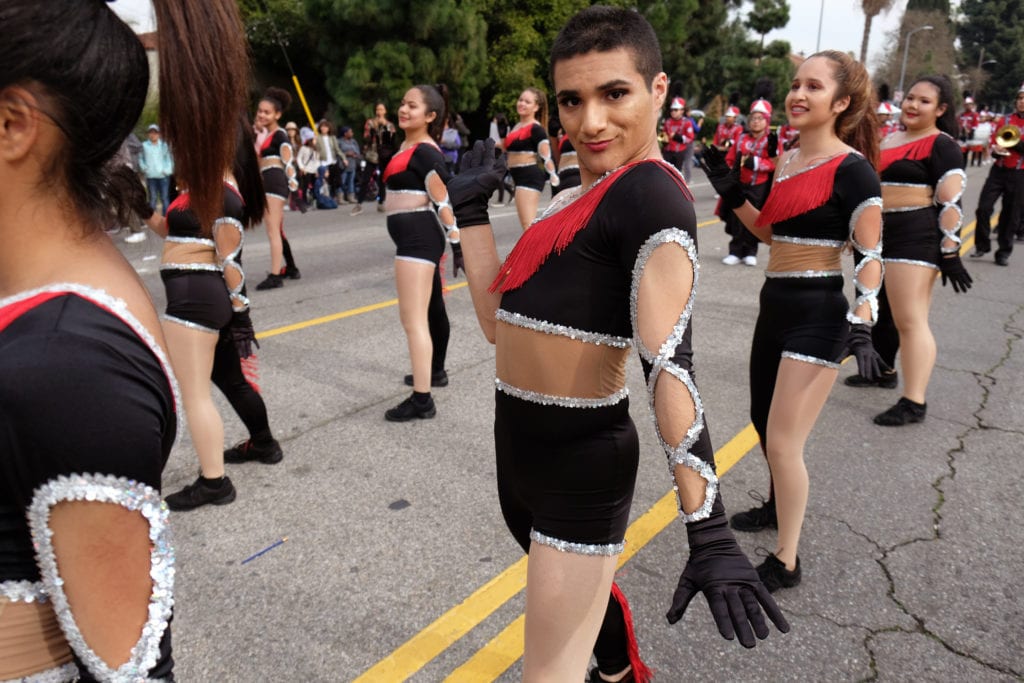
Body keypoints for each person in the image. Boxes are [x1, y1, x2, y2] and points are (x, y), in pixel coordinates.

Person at [447, 7, 788, 682]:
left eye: (614, 94)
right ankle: (616, 665)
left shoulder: (650, 200)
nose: (590, 122)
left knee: (546, 672)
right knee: (583, 627)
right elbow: (497, 323)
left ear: (658, 91)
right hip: (516, 450)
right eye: (572, 100)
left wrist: (708, 524)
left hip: (581, 468)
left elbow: (669, 368)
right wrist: (467, 219)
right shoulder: (573, 192)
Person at [0, 0, 246, 679]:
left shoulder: (69, 366)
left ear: (13, 124)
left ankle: (219, 474)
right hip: (179, 291)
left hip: (200, 296)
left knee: (203, 394)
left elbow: (133, 668)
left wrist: (241, 305)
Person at [702, 50, 885, 592]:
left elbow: (872, 255)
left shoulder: (855, 171)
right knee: (763, 422)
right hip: (774, 305)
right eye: (795, 83)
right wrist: (731, 193)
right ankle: (778, 506)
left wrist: (863, 320)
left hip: (819, 316)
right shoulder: (787, 159)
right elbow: (770, 236)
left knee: (784, 442)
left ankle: (786, 560)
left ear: (842, 102)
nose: (798, 94)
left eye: (814, 86)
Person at [143, 116, 268, 510]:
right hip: (194, 300)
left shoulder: (224, 195)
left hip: (196, 302)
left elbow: (231, 262)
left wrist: (242, 316)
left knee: (195, 396)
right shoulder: (201, 188)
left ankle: (214, 483)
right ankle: (264, 443)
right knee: (227, 381)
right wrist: (139, 204)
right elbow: (173, 232)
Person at [843, 75, 971, 426]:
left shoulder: (941, 144)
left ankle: (914, 401)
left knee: (911, 320)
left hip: (916, 237)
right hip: (880, 235)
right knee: (880, 310)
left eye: (924, 101)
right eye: (910, 97)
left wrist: (950, 252)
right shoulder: (890, 138)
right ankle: (883, 370)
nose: (913, 105)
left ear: (941, 109)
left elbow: (950, 202)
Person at [382, 84, 461, 421]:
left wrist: (456, 241)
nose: (403, 109)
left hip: (418, 238)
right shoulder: (406, 145)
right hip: (412, 238)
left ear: (430, 116)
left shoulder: (427, 152)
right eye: (402, 103)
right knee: (428, 311)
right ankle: (432, 373)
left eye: (412, 106)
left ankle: (422, 399)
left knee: (412, 320)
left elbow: (443, 198)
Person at [720, 98, 779, 266]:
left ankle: (751, 252)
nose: (755, 122)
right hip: (739, 184)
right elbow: (730, 158)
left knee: (754, 220)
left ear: (766, 121)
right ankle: (735, 251)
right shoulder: (741, 138)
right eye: (753, 118)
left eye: (760, 119)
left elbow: (776, 163)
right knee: (736, 218)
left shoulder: (771, 140)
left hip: (759, 186)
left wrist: (755, 163)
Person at [970, 83, 1024, 266]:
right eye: (1020, 98)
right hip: (998, 171)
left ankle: (1003, 252)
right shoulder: (1005, 120)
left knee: (1011, 215)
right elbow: (995, 144)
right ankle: (981, 245)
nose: (1022, 102)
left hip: (1019, 174)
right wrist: (996, 150)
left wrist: (1012, 143)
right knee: (983, 208)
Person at [254, 87, 302, 288]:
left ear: (277, 114)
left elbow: (289, 160)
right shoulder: (265, 135)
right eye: (260, 111)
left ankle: (275, 276)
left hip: (275, 181)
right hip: (267, 180)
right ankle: (291, 267)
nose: (262, 115)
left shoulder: (280, 134)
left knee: (272, 229)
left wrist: (294, 186)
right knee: (277, 229)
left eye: (267, 112)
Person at [501, 87, 558, 229]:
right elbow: (507, 150)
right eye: (521, 100)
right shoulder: (517, 126)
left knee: (528, 225)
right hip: (518, 177)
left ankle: (542, 250)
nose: (522, 104)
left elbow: (546, 156)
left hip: (529, 176)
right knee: (526, 224)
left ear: (536, 107)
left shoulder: (535, 128)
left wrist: (553, 178)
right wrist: (501, 137)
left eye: (527, 102)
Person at [351, 102, 398, 215]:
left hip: (385, 155)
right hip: (372, 154)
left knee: (382, 179)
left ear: (385, 111)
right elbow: (366, 137)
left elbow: (392, 140)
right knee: (366, 179)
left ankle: (381, 202)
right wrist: (376, 127)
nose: (379, 112)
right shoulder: (370, 123)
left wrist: (385, 127)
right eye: (377, 109)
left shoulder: (390, 125)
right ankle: (359, 204)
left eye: (381, 109)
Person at [140, 123, 174, 216]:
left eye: (155, 132)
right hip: (151, 176)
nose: (153, 134)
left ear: (159, 134)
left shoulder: (164, 145)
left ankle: (166, 217)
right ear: (148, 134)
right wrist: (144, 168)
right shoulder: (144, 145)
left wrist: (167, 170)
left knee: (164, 197)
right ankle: (153, 218)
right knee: (153, 198)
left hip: (163, 176)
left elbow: (169, 159)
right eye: (151, 132)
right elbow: (140, 158)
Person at [661, 97, 696, 180]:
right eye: (672, 110)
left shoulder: (687, 122)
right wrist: (663, 139)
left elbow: (690, 138)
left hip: (679, 152)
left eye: (676, 110)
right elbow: (663, 134)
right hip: (667, 151)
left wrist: (677, 137)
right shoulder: (667, 121)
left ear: (682, 111)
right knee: (666, 173)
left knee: (676, 174)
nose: (673, 112)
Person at [316, 118, 345, 203]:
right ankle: (328, 197)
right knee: (326, 181)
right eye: (322, 127)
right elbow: (316, 151)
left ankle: (337, 196)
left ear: (329, 128)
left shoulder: (332, 138)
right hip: (323, 162)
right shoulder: (318, 138)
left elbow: (337, 149)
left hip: (333, 161)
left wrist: (343, 158)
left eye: (326, 127)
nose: (324, 128)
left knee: (336, 180)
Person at [338, 124, 361, 203]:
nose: (352, 133)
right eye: (350, 132)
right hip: (343, 164)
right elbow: (338, 152)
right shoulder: (340, 142)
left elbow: (357, 151)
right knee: (342, 181)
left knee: (351, 181)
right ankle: (340, 197)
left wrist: (355, 154)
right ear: (345, 133)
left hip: (352, 164)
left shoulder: (353, 141)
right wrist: (346, 154)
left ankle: (350, 196)